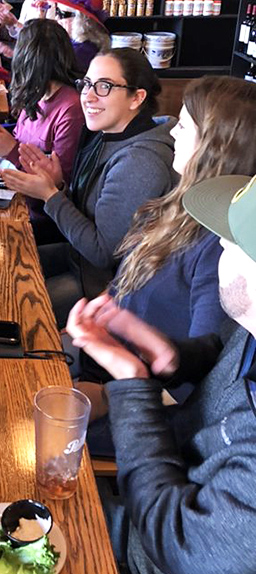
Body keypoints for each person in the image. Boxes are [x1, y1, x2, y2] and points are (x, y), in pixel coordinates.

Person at [65, 171, 256, 574]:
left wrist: (130, 382)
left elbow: (176, 541)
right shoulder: (250, 329)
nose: (221, 249)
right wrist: (166, 355)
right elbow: (224, 356)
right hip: (153, 513)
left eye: (234, 243)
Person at [81, 76, 256, 452]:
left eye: (184, 125)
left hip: (143, 416)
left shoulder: (220, 248)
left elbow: (200, 389)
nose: (172, 131)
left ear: (216, 148)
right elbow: (122, 291)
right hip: (105, 373)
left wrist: (111, 394)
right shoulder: (171, 206)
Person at [1, 48, 176, 327]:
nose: (88, 96)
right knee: (0, 267)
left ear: (137, 97)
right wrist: (59, 184)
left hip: (106, 290)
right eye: (86, 84)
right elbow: (92, 215)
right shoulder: (109, 134)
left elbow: (102, 253)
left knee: (6, 308)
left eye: (104, 86)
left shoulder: (140, 160)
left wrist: (51, 195)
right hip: (78, 262)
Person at [0, 19, 84, 243]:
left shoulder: (70, 108)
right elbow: (20, 138)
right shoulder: (37, 93)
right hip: (15, 199)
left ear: (26, 60)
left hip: (41, 220)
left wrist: (11, 150)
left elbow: (57, 185)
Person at [44, 0, 110, 70]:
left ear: (81, 20)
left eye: (63, 14)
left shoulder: (82, 51)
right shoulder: (76, 43)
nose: (57, 18)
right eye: (57, 12)